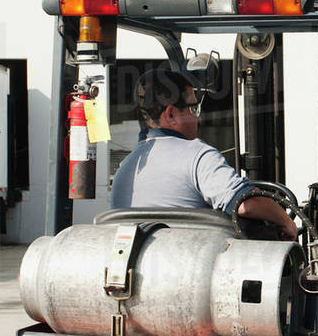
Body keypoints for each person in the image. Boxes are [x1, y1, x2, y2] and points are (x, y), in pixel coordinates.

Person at [110, 68, 298, 239]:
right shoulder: (198, 156)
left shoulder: (125, 169)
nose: (198, 117)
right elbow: (247, 204)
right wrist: (286, 221)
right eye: (193, 108)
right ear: (172, 114)